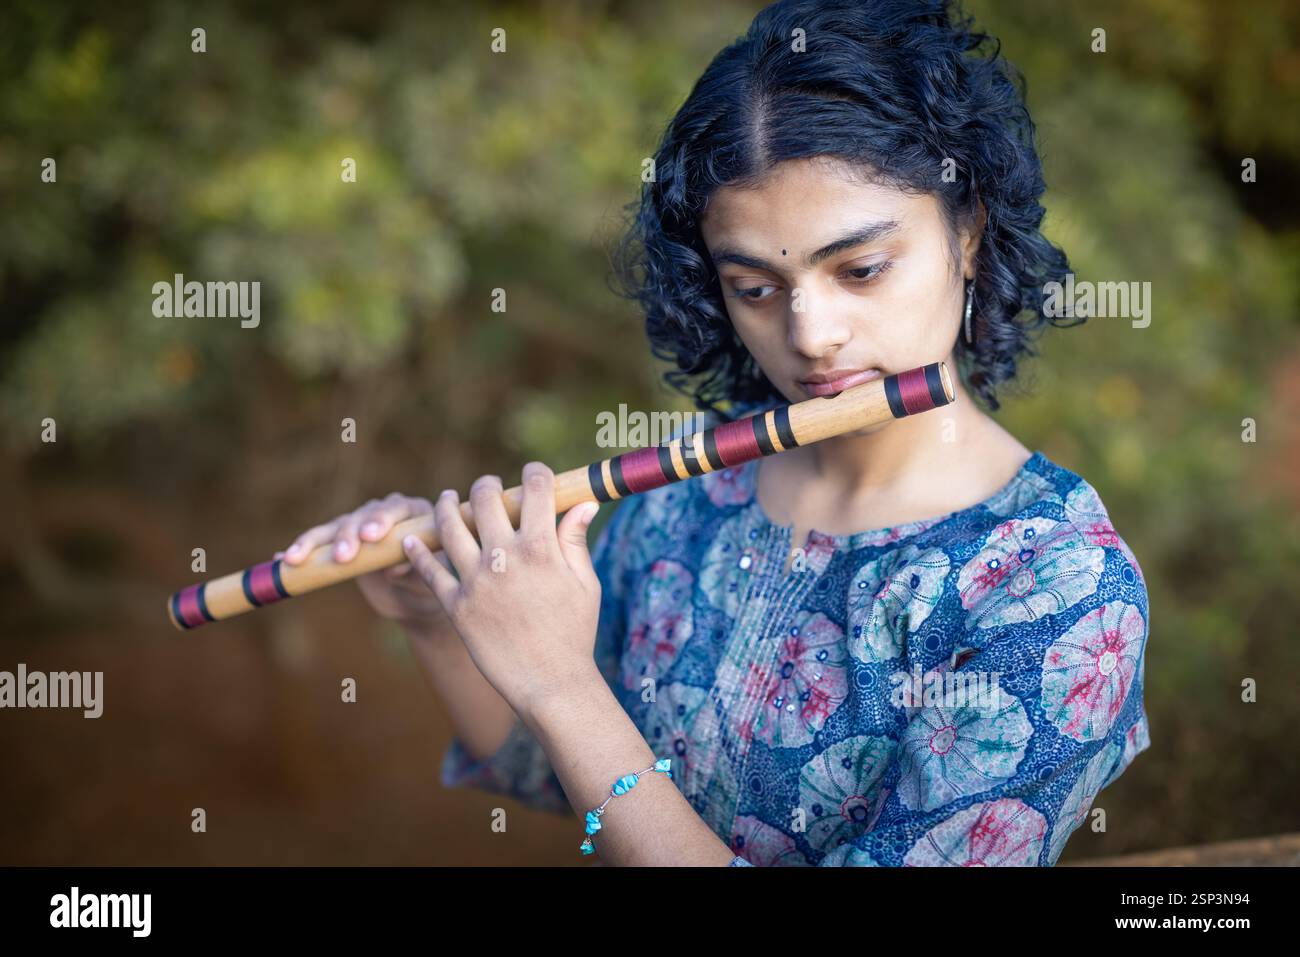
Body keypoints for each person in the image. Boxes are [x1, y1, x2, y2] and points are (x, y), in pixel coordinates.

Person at [277, 0, 1150, 866]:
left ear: (968, 234)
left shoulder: (1058, 587)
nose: (811, 334)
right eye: (756, 287)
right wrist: (440, 619)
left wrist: (562, 681)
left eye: (861, 269)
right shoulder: (691, 495)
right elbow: (568, 772)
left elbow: (575, 711)